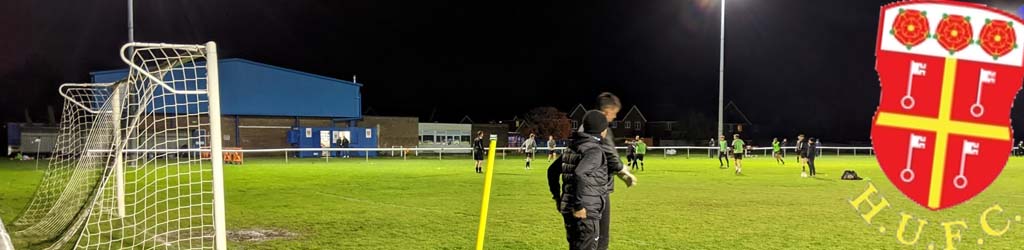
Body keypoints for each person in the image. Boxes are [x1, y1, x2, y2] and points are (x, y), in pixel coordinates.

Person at [557, 110, 635, 250]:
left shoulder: (572, 147)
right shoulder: (594, 150)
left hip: (568, 207)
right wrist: (579, 206)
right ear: (603, 130)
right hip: (586, 210)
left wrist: (558, 197)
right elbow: (580, 173)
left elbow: (552, 171)